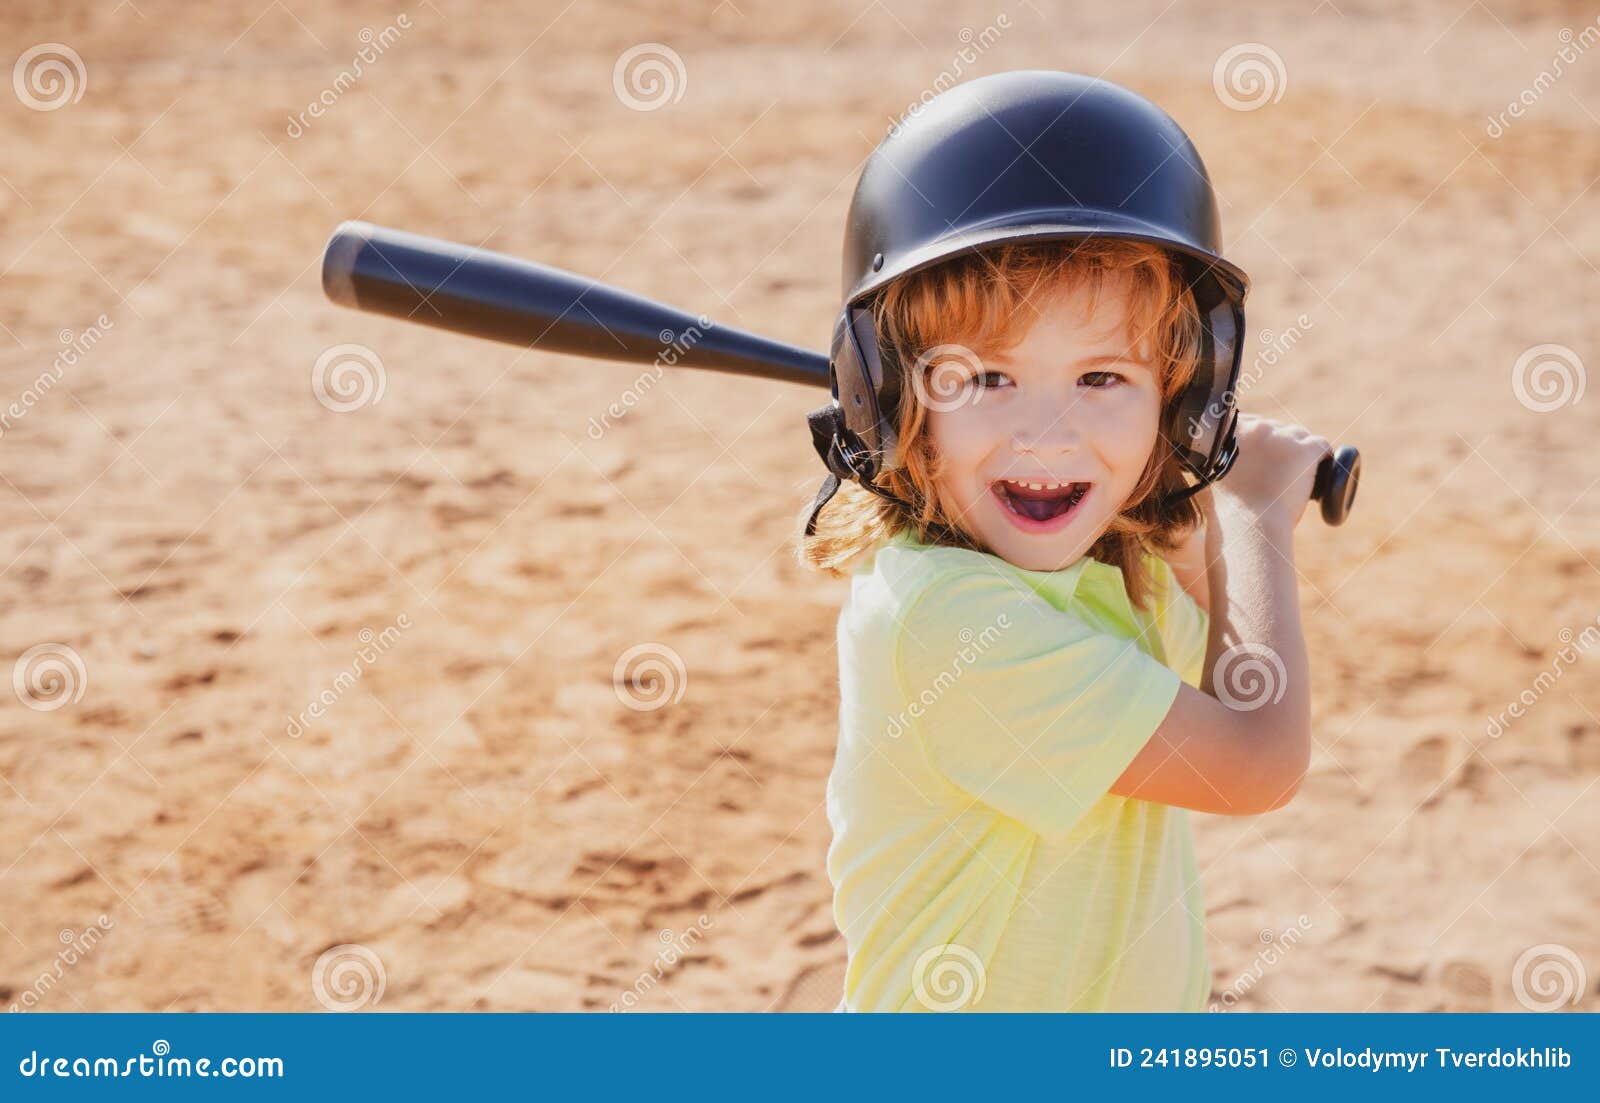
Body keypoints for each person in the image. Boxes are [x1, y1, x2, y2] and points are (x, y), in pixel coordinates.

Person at [799, 71, 1330, 1011]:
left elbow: (1237, 652)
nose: (1047, 437)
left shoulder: (1107, 557)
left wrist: (1187, 488)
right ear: (884, 394)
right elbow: (1257, 755)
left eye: (1101, 377)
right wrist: (1250, 511)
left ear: (1185, 388)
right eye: (989, 379)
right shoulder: (949, 621)